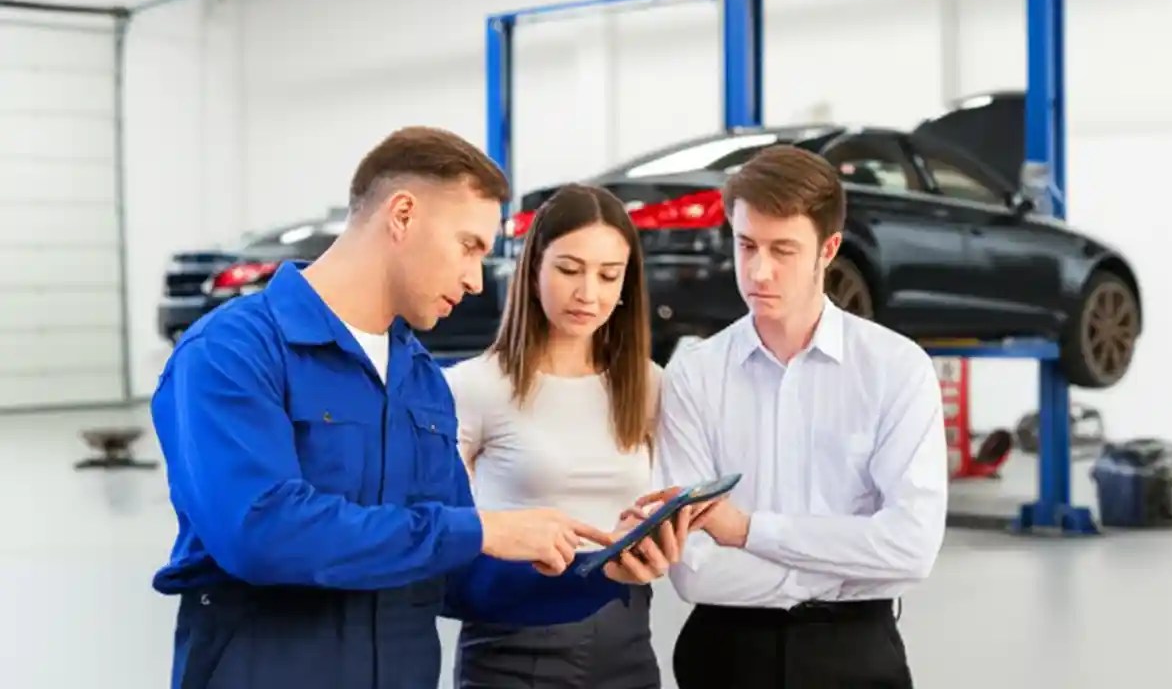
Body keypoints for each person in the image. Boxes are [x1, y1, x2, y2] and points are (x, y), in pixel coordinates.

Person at [148, 127, 687, 689]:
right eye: (470, 246)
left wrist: (599, 572)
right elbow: (259, 532)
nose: (478, 280)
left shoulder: (421, 381)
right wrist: (478, 529)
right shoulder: (233, 351)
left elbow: (456, 577)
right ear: (402, 215)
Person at [648, 145, 949, 689]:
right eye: (747, 246)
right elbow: (692, 569)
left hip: (857, 657)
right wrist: (840, 569)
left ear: (828, 248)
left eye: (783, 249)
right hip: (725, 655)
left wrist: (746, 531)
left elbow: (912, 547)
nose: (760, 271)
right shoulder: (693, 375)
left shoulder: (896, 370)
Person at [445, 183, 691, 689]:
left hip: (626, 644)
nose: (588, 294)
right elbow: (437, 524)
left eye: (608, 275)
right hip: (511, 647)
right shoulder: (474, 386)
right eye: (569, 269)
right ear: (533, 268)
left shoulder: (648, 386)